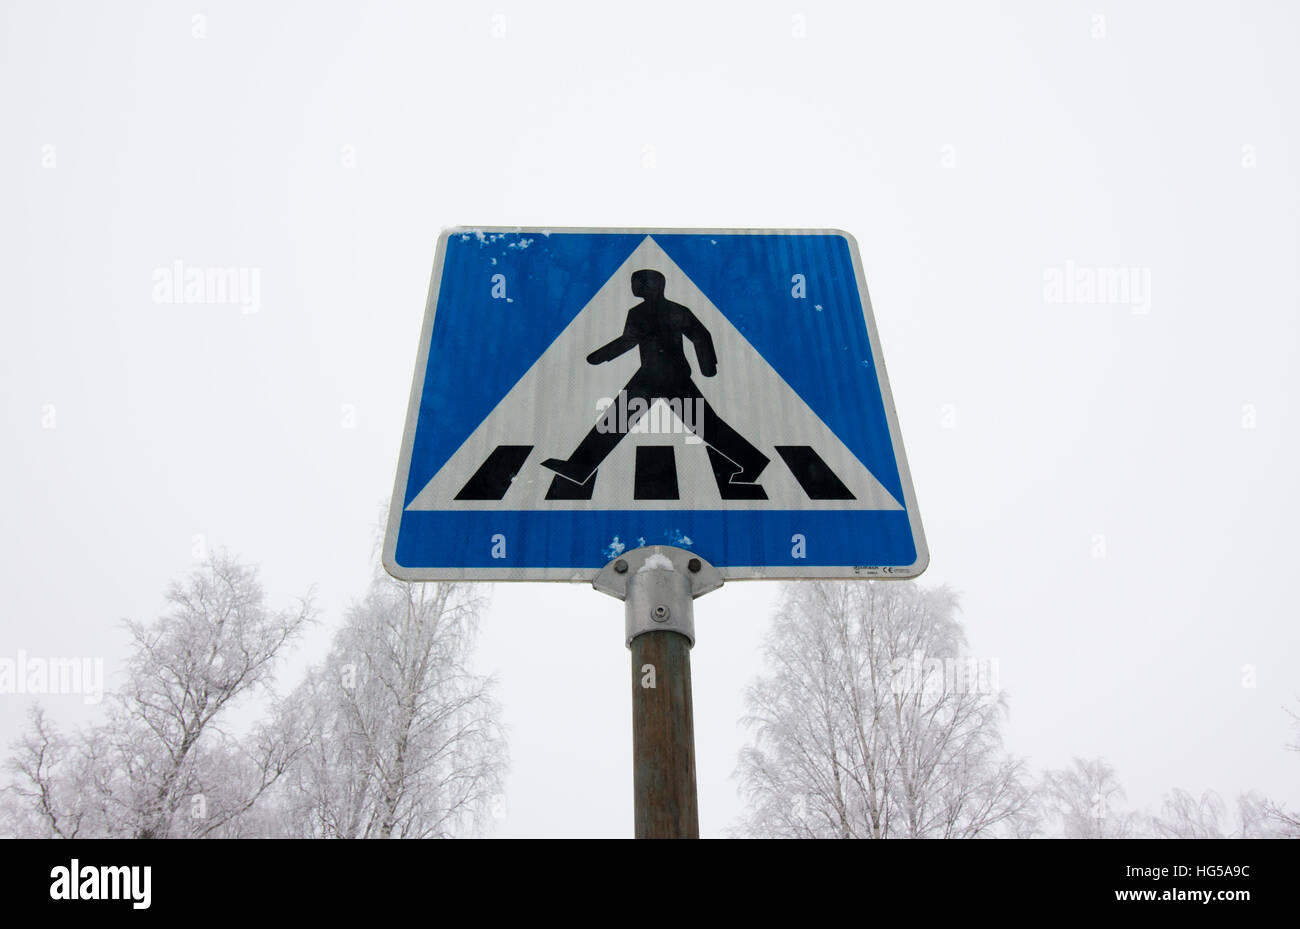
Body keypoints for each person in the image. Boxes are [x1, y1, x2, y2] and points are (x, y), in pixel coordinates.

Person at [541, 269, 769, 486]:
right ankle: (579, 467)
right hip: (663, 375)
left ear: (649, 286)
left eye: (636, 283)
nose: (632, 287)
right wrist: (707, 368)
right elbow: (701, 335)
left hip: (662, 378)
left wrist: (599, 356)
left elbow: (628, 341)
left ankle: (753, 461)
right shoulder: (678, 309)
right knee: (620, 420)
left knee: (700, 424)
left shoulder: (640, 313)